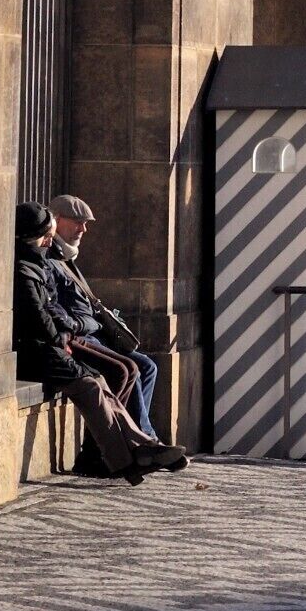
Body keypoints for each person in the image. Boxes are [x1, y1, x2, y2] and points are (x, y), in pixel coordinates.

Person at [16, 204, 185, 482]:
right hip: (40, 351)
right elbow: (39, 315)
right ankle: (117, 459)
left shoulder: (38, 262)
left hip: (56, 344)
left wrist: (66, 330)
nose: (49, 240)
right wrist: (64, 335)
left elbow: (53, 306)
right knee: (99, 383)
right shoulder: (28, 267)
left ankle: (143, 447)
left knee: (107, 381)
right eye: (45, 235)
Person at [45, 194, 163, 449]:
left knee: (148, 367)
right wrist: (80, 325)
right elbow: (54, 307)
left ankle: (140, 437)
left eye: (85, 223)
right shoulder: (50, 258)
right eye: (77, 222)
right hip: (77, 337)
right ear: (57, 220)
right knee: (127, 368)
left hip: (91, 332)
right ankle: (141, 442)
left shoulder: (66, 257)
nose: (83, 229)